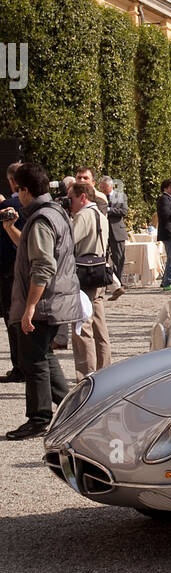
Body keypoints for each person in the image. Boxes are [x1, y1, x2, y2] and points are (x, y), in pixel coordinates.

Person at [4, 162, 83, 439]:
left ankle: (39, 418)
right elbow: (31, 250)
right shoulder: (55, 212)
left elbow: (43, 265)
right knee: (43, 357)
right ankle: (75, 408)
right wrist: (10, 228)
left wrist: (30, 307)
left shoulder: (40, 219)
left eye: (18, 189)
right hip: (55, 300)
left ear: (24, 190)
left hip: (44, 303)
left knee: (34, 362)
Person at [68, 181, 112, 378]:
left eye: (72, 198)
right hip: (100, 271)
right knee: (99, 326)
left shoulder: (84, 215)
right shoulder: (101, 215)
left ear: (82, 197)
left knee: (82, 325)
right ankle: (105, 370)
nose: (69, 202)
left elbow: (69, 242)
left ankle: (86, 375)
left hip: (85, 274)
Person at [0, 164, 24, 381]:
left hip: (8, 269)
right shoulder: (38, 206)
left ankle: (19, 366)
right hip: (31, 268)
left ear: (11, 182)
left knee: (11, 317)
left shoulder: (8, 206)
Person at [99, 174, 128, 284]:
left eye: (104, 187)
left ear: (110, 186)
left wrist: (109, 210)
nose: (102, 189)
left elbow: (123, 211)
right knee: (102, 257)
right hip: (103, 231)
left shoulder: (119, 196)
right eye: (101, 187)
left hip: (117, 230)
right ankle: (104, 281)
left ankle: (118, 282)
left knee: (119, 258)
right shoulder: (98, 197)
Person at [155, 179, 171, 291]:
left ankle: (165, 281)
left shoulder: (170, 199)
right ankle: (168, 282)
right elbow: (166, 215)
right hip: (169, 232)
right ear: (165, 188)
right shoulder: (164, 199)